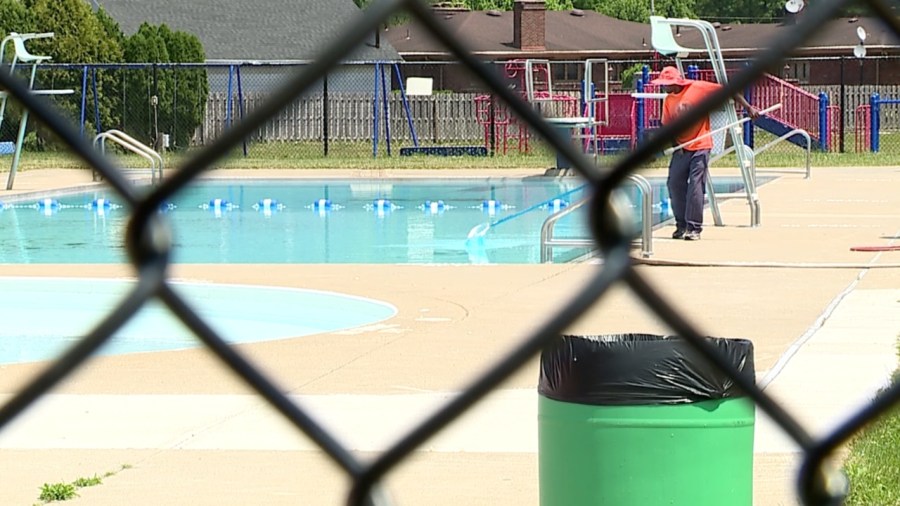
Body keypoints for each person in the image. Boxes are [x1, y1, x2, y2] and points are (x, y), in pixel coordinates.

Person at [650, 66, 759, 241]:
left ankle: (694, 227)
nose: (664, 87)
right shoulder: (669, 100)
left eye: (667, 84)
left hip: (700, 144)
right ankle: (681, 225)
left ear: (676, 82)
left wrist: (748, 107)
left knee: (695, 185)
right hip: (681, 148)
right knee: (674, 183)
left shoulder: (698, 88)